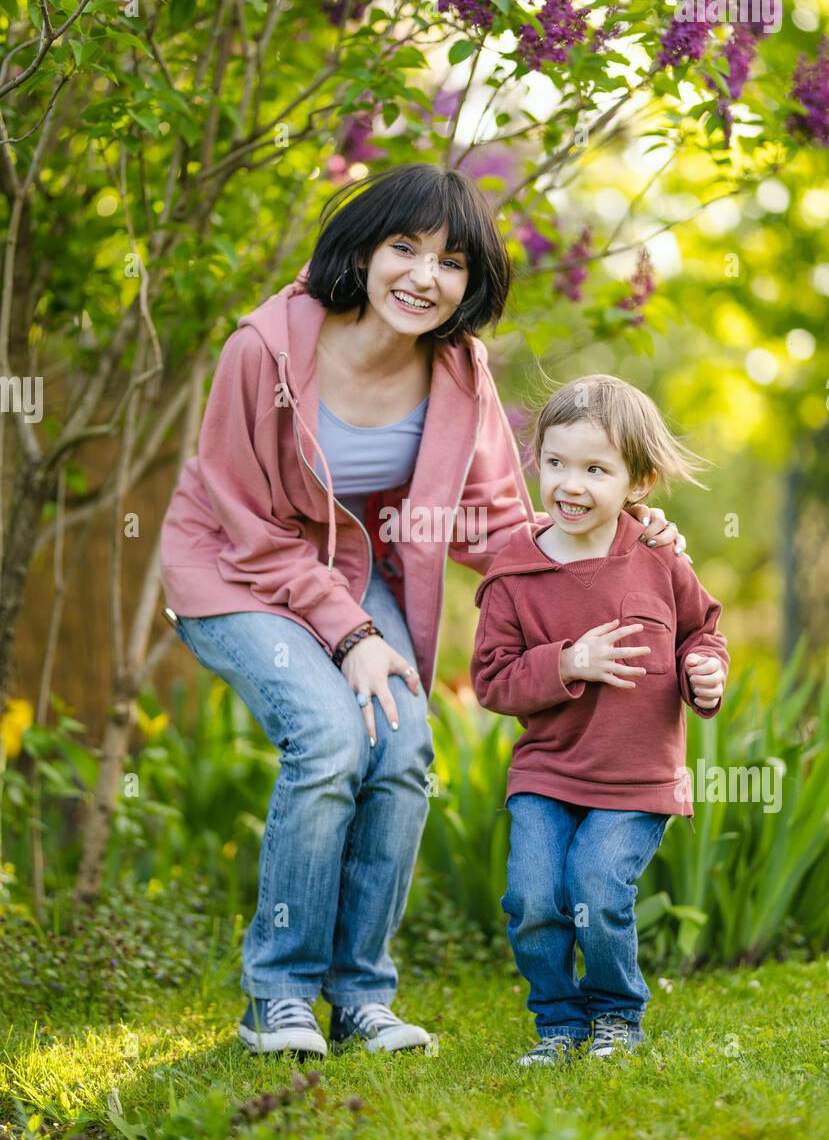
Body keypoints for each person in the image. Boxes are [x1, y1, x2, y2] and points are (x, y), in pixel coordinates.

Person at [159, 163, 689, 1059]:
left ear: (469, 281)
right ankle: (278, 996)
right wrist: (355, 633)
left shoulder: (457, 365)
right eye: (403, 247)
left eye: (449, 261)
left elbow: (490, 521)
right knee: (329, 738)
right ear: (361, 252)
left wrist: (612, 533)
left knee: (402, 747)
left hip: (350, 568)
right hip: (234, 572)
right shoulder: (263, 350)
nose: (423, 275)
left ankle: (361, 996)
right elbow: (251, 530)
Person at [470, 373, 729, 1065]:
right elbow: (491, 681)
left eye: (595, 469)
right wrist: (566, 664)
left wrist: (707, 672)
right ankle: (558, 1022)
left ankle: (616, 1015)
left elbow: (703, 633)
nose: (570, 484)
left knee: (595, 886)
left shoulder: (658, 556)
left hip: (635, 776)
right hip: (548, 773)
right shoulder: (514, 572)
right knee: (532, 897)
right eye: (555, 463)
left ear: (636, 481)